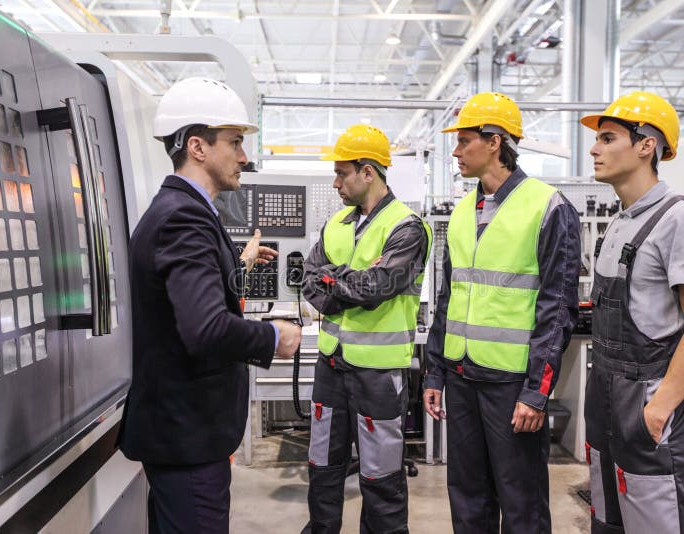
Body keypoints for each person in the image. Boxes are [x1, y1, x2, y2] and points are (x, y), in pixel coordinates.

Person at [118, 77, 302, 534]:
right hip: (188, 436)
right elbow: (206, 329)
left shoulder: (180, 210)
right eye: (235, 142)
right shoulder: (185, 217)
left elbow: (186, 301)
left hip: (180, 432)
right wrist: (276, 337)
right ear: (198, 147)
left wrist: (236, 266)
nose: (244, 156)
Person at [423, 92, 581, 533]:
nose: (455, 152)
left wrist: (537, 390)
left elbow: (558, 309)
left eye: (464, 141)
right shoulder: (458, 214)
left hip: (512, 386)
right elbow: (446, 300)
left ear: (494, 142)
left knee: (521, 503)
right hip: (461, 376)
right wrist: (434, 372)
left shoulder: (547, 207)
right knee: (467, 498)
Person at [579, 91, 684, 534]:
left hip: (646, 398)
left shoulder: (682, 219)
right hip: (605, 394)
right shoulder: (622, 221)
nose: (594, 148)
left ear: (647, 145)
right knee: (608, 518)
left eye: (608, 137)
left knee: (658, 521)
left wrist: (658, 409)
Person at [301, 124, 432, 533]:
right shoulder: (336, 224)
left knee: (381, 480)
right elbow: (306, 279)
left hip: (379, 373)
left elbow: (376, 287)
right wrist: (344, 283)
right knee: (322, 469)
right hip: (331, 368)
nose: (336, 182)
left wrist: (334, 280)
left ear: (368, 171)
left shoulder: (407, 228)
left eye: (342, 173)